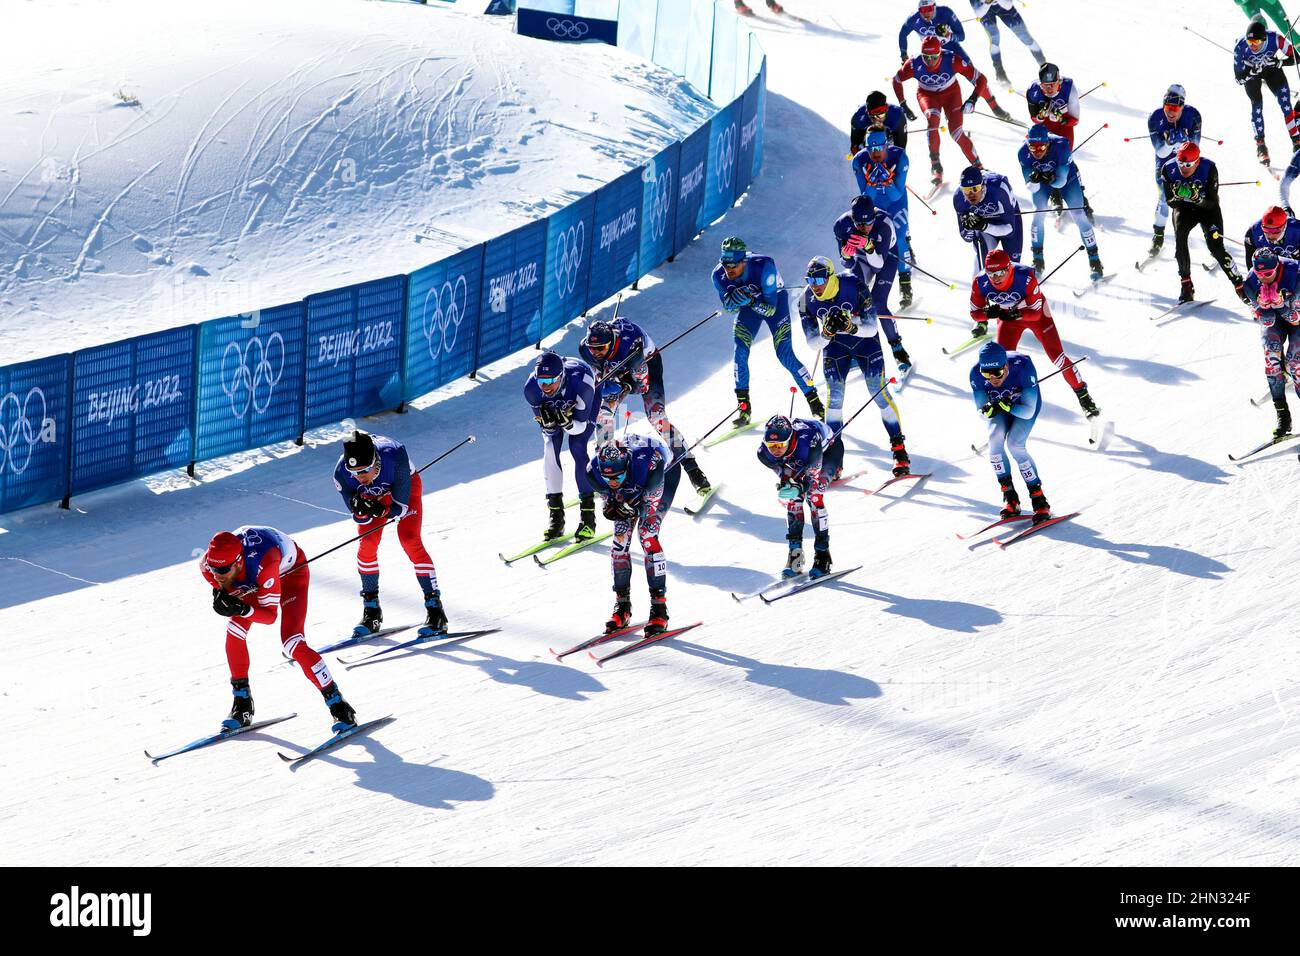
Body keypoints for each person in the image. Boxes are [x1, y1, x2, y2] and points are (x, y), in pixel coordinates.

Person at [201, 528, 357, 733]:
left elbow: (269, 616)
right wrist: (225, 595)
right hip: (253, 578)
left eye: (221, 571)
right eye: (213, 569)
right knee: (234, 629)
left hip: (290, 574)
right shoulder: (209, 567)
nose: (216, 575)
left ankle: (338, 704)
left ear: (238, 561)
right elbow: (221, 578)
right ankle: (242, 705)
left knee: (292, 642)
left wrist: (241, 607)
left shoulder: (265, 562)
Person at [798, 256, 911, 479]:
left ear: (830, 276)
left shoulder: (854, 284)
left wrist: (851, 327)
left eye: (820, 279)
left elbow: (870, 328)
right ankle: (833, 459)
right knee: (834, 399)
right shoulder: (804, 299)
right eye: (810, 280)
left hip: (865, 343)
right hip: (835, 347)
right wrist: (826, 334)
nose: (815, 285)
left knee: (878, 392)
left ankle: (899, 450)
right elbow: (813, 344)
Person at [579, 317, 713, 496]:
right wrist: (606, 382)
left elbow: (642, 386)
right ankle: (607, 471)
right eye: (592, 348)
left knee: (657, 418)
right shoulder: (586, 350)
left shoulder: (631, 347)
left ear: (612, 342)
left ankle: (693, 469)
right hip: (619, 371)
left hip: (647, 366)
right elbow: (598, 374)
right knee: (603, 417)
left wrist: (623, 385)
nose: (595, 353)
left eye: (600, 348)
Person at [334, 430, 447, 640]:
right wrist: (360, 510)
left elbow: (401, 507)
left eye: (365, 470)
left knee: (410, 540)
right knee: (366, 545)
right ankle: (372, 612)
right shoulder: (341, 474)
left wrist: (382, 510)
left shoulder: (395, 454)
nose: (361, 477)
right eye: (355, 472)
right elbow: (361, 521)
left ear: (376, 460)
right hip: (374, 498)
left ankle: (435, 611)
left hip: (404, 491)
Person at [970, 248, 1099, 419]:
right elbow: (975, 313)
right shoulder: (980, 281)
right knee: (1000, 365)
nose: (996, 278)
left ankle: (1084, 397)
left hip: (1036, 316)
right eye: (991, 273)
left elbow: (1036, 313)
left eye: (1000, 272)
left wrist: (1018, 313)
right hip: (1008, 321)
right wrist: (988, 313)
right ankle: (1001, 405)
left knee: (1057, 357)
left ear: (1009, 268)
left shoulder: (1025, 276)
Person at [712, 236, 821, 427]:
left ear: (743, 261)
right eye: (725, 265)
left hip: (775, 303)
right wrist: (734, 303)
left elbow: (770, 309)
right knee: (740, 352)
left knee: (785, 354)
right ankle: (744, 408)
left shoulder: (764, 266)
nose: (729, 270)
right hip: (749, 308)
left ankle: (814, 401)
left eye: (734, 266)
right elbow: (729, 308)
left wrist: (750, 301)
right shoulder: (717, 276)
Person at [586, 434, 679, 637]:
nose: (612, 482)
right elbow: (610, 498)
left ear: (627, 466)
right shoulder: (593, 471)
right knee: (619, 542)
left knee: (647, 534)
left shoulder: (649, 466)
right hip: (634, 484)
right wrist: (612, 505)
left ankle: (659, 608)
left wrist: (633, 508)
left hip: (663, 475)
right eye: (607, 478)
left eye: (617, 477)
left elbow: (649, 507)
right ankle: (622, 606)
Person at [892, 36, 1009, 186]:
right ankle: (935, 165)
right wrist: (903, 104)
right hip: (927, 95)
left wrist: (972, 99)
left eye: (934, 57)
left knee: (956, 132)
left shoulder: (952, 60)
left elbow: (981, 79)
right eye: (925, 57)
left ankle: (979, 167)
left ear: (940, 53)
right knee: (932, 121)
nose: (929, 61)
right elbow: (896, 80)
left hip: (951, 94)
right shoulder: (914, 63)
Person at [970, 342, 1052, 524]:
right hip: (1002, 410)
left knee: (1015, 444)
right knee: (994, 439)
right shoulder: (975, 373)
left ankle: (1039, 498)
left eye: (997, 373)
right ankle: (1010, 497)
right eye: (987, 374)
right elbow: (980, 410)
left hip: (1023, 408)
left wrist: (1011, 405)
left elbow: (1029, 410)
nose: (992, 379)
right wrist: (987, 411)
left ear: (1006, 366)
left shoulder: (1022, 367)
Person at [523, 350, 599, 543]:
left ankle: (588, 519)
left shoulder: (582, 383)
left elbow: (579, 427)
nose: (545, 388)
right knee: (550, 444)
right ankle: (556, 517)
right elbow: (547, 429)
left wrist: (568, 423)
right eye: (542, 382)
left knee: (577, 445)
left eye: (550, 382)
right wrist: (548, 427)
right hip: (564, 407)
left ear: (561, 376)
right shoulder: (532, 389)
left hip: (586, 401)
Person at [1159, 142, 1248, 304]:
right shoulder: (1168, 169)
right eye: (1180, 163)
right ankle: (1186, 284)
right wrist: (1178, 197)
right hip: (1184, 209)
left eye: (1188, 165)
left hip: (1208, 210)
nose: (1183, 168)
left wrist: (1197, 198)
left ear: (1197, 162)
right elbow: (1170, 203)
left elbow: (1212, 203)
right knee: (1180, 238)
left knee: (1216, 248)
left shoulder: (1209, 168)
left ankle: (1239, 284)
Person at [833, 194, 912, 371]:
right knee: (851, 301)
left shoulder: (884, 223)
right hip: (861, 259)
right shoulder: (841, 225)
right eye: (859, 224)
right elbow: (847, 264)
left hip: (886, 259)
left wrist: (869, 247)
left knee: (877, 304)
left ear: (874, 217)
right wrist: (846, 255)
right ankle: (857, 350)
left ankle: (898, 350)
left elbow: (878, 266)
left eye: (868, 223)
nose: (864, 228)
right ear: (852, 219)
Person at [756, 414, 840, 580]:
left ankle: (823, 554)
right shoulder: (764, 453)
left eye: (780, 444)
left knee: (814, 496)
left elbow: (811, 477)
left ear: (790, 438)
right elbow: (782, 470)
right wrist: (786, 482)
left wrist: (800, 485)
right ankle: (795, 554)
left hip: (827, 452)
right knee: (793, 500)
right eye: (772, 445)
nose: (776, 449)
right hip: (797, 459)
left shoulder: (808, 441)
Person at [1018, 124, 1103, 279]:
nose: (1037, 152)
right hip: (1045, 182)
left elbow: (1060, 182)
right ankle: (1037, 260)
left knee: (1078, 213)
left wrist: (1046, 178)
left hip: (1067, 179)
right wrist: (1035, 181)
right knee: (1038, 213)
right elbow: (1031, 187)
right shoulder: (1023, 153)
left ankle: (1095, 260)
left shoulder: (1061, 144)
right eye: (1033, 147)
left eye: (1041, 147)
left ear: (1048, 143)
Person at [898, 2, 1005, 116]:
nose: (926, 13)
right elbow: (902, 34)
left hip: (952, 51)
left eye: (929, 9)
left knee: (974, 77)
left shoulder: (945, 12)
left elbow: (962, 36)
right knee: (937, 83)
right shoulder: (913, 19)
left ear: (934, 6)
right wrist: (904, 54)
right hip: (932, 56)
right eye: (922, 10)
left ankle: (995, 107)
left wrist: (949, 35)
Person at [851, 132, 915, 309]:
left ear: (887, 145)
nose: (875, 153)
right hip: (875, 206)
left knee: (900, 238)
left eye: (879, 148)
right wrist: (872, 184)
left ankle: (905, 284)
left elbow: (896, 195)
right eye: (870, 149)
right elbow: (866, 198)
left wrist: (887, 181)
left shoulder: (900, 157)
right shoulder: (859, 161)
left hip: (896, 204)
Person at [1242, 248, 1300, 437]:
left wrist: (1281, 306)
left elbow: (1296, 319)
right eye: (1260, 274)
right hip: (1278, 318)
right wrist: (1264, 310)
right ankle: (1283, 415)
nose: (1264, 278)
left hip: (1297, 319)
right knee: (1271, 358)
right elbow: (1263, 318)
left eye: (1268, 274)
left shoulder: (1294, 272)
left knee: (1294, 361)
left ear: (1277, 266)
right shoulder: (1250, 282)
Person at [1145, 84, 1203, 261]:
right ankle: (1158, 237)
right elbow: (1160, 151)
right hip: (1165, 162)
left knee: (1196, 196)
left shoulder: (1193, 116)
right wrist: (1170, 143)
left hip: (1188, 160)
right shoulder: (1155, 118)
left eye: (1174, 109)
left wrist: (1182, 140)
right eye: (1167, 108)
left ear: (1182, 107)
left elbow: (1196, 147)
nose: (1170, 113)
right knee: (1164, 198)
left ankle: (1208, 237)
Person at [1234, 17, 1300, 165]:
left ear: (1264, 39)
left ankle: (1296, 140)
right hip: (1251, 76)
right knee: (1256, 107)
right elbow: (1238, 79)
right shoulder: (1240, 46)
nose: (1253, 46)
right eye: (1250, 42)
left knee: (1286, 105)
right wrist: (1251, 73)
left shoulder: (1275, 39)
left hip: (1272, 70)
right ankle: (1261, 146)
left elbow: (1297, 57)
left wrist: (1279, 62)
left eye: (1256, 42)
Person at [954, 164, 1023, 275]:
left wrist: (984, 226)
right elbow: (966, 237)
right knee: (984, 264)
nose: (971, 194)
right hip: (985, 226)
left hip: (1006, 220)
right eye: (966, 190)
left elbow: (1010, 230)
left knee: (1011, 268)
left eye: (975, 188)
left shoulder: (999, 189)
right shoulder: (959, 198)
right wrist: (969, 227)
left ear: (983, 185)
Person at [966, 0, 1047, 86]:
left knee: (1024, 36)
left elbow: (1008, 6)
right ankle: (1000, 72)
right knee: (994, 36)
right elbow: (979, 13)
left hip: (1003, 6)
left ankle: (1044, 65)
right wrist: (987, 3)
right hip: (985, 9)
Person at [1026, 63, 1080, 147]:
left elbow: (1075, 121)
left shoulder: (1070, 89)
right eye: (1045, 85)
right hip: (1043, 125)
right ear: (1040, 83)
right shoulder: (1033, 90)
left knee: (1063, 151)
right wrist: (1041, 116)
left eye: (1052, 84)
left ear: (1059, 81)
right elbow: (1033, 118)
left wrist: (1062, 120)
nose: (1049, 88)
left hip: (1063, 127)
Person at [849, 90, 909, 156]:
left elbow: (900, 150)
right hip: (868, 136)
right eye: (874, 116)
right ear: (868, 114)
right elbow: (855, 147)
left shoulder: (898, 116)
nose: (879, 119)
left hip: (891, 133)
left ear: (886, 109)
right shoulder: (858, 118)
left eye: (881, 115)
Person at [1233, 0, 1299, 44]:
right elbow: (1237, 1)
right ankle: (1267, 58)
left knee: (1287, 29)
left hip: (1269, 2)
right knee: (1260, 29)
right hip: (1249, 4)